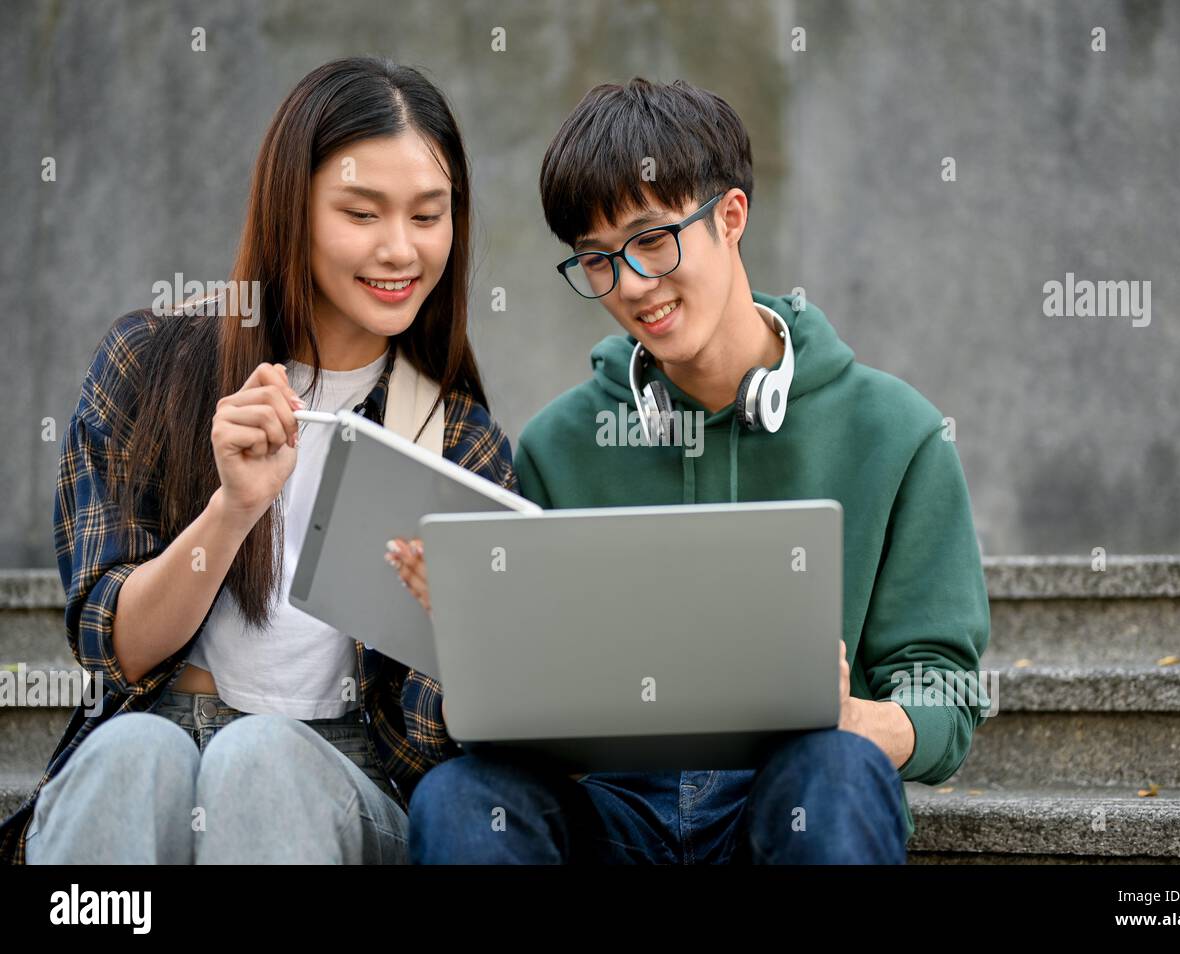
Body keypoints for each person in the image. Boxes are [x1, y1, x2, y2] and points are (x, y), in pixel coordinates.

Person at [389, 78, 991, 864]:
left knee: (839, 769)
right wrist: (474, 637)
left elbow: (942, 689)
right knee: (461, 797)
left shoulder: (898, 432)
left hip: (788, 795)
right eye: (597, 261)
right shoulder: (556, 445)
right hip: (608, 811)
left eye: (652, 240)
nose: (633, 285)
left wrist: (860, 719)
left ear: (732, 216)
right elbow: (514, 730)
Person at [0, 56, 514, 864]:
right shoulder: (151, 363)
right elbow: (113, 648)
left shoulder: (453, 436)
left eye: (427, 215)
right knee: (131, 758)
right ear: (292, 210)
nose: (399, 249)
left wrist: (454, 628)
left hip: (337, 771)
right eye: (361, 212)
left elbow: (434, 753)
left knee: (261, 760)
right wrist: (233, 507)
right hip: (153, 733)